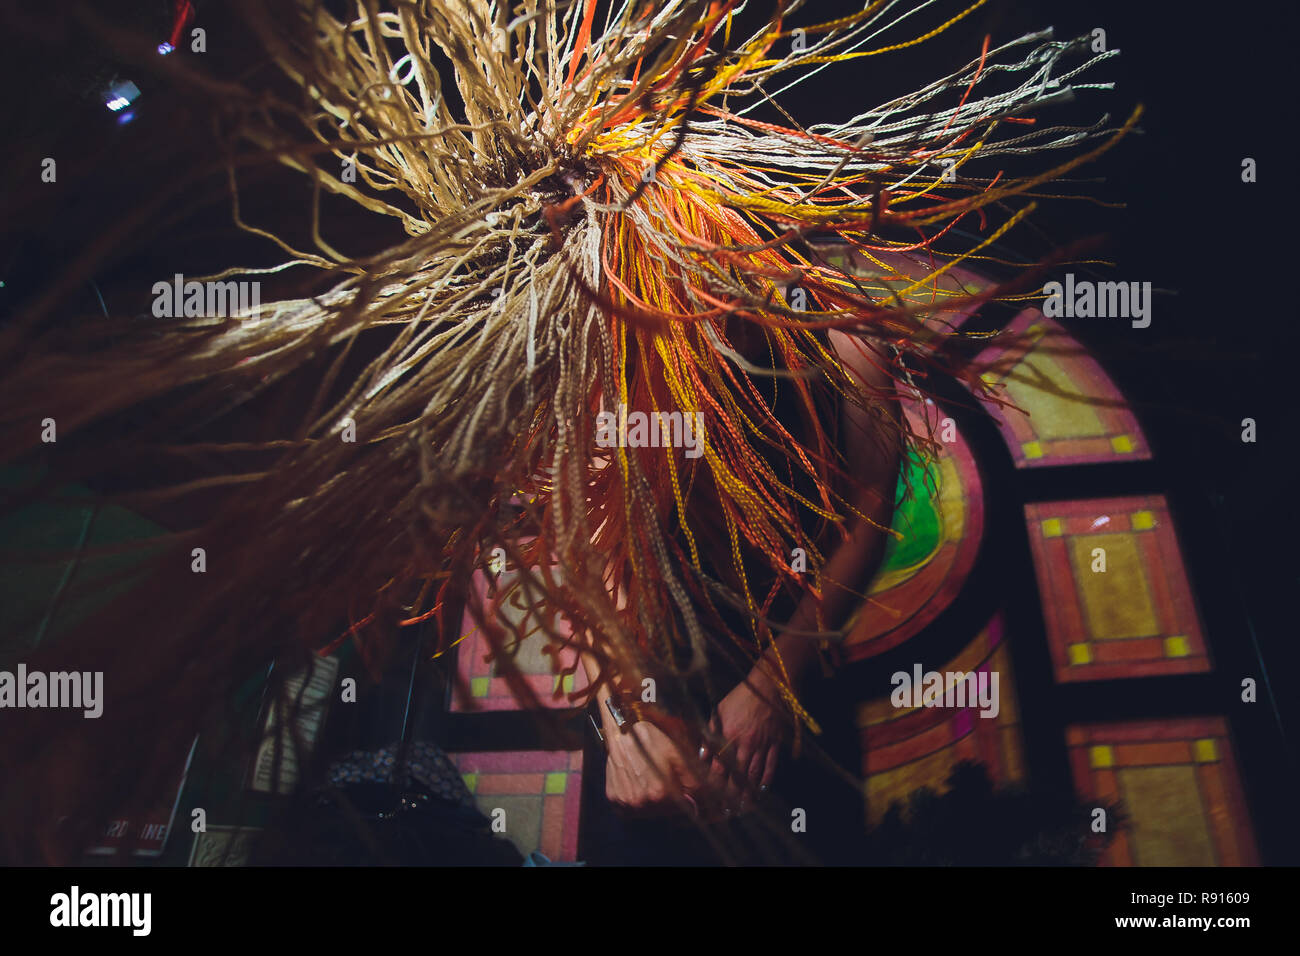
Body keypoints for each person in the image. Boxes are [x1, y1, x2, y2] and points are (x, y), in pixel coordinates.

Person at [579, 320, 903, 865]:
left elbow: (870, 514)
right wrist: (624, 719)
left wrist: (774, 686)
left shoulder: (845, 333)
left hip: (797, 699)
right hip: (645, 701)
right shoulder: (616, 341)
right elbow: (591, 544)